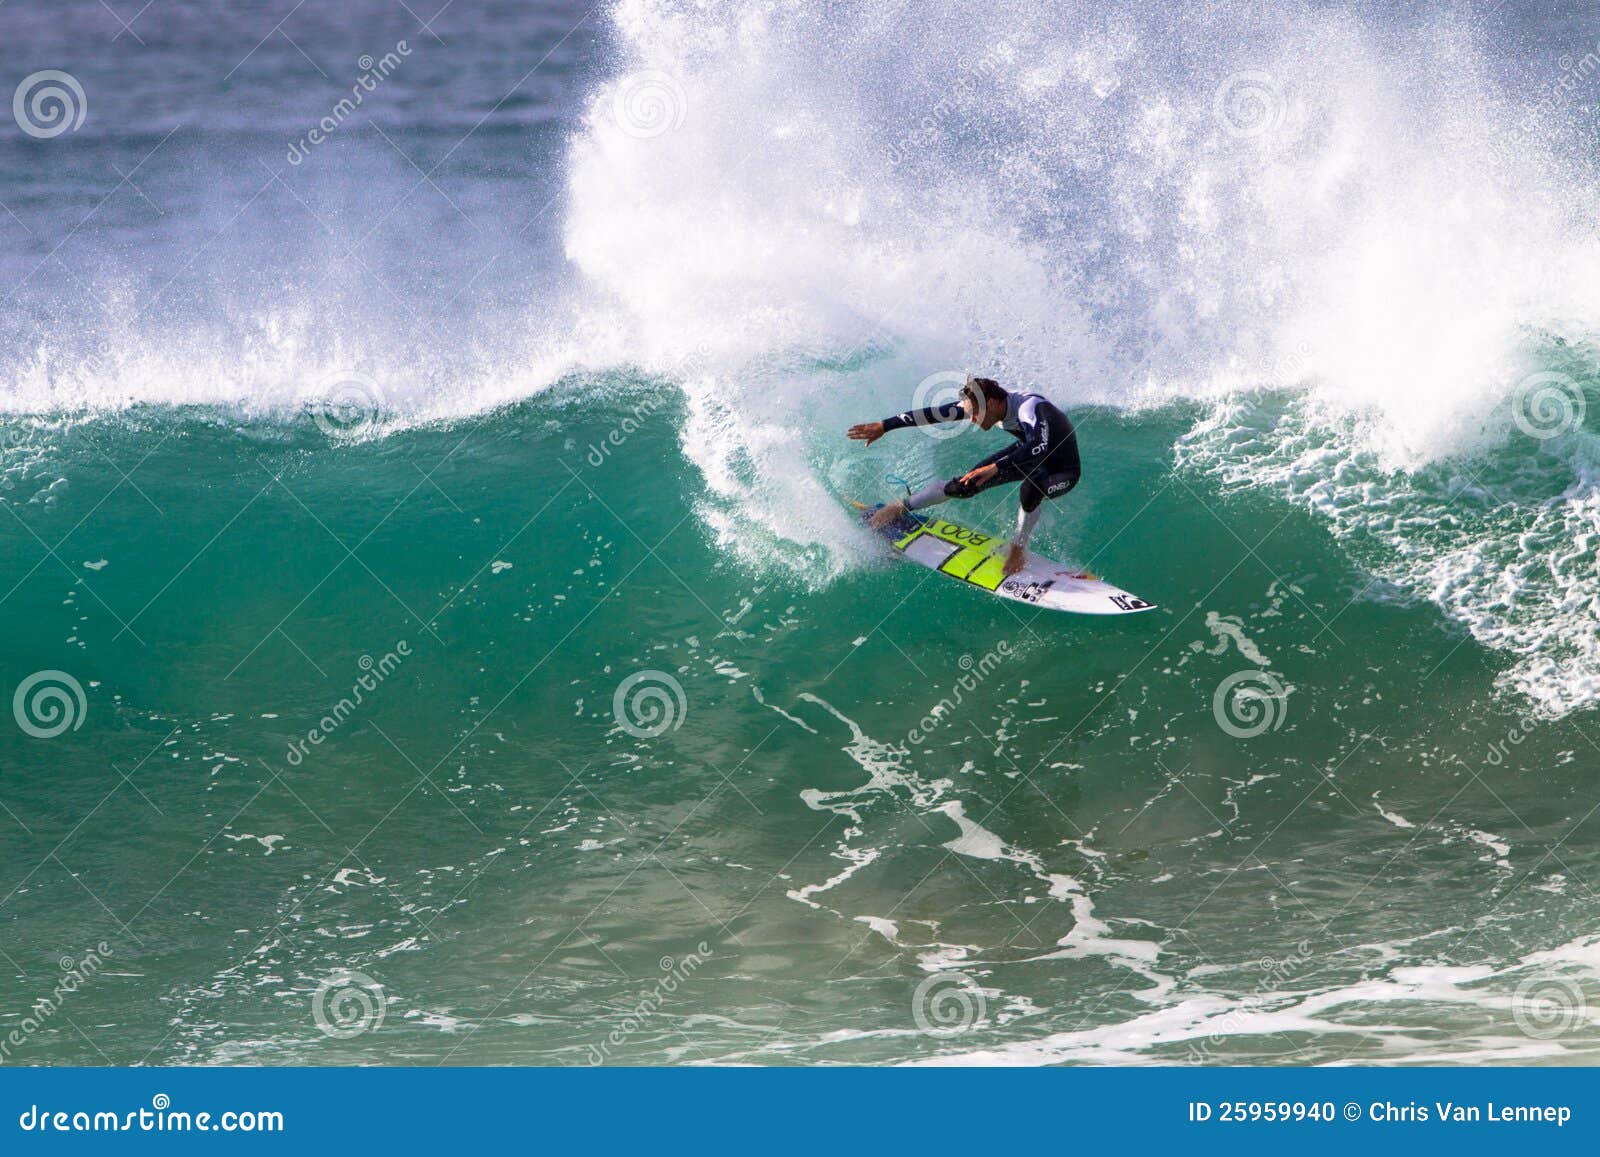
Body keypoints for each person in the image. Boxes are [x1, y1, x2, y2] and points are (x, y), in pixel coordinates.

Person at [847, 375, 1080, 577]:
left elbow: (1041, 445)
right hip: (1025, 453)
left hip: (1061, 468)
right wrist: (885, 426)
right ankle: (900, 507)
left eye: (975, 414)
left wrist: (996, 467)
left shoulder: (1030, 408)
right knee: (964, 485)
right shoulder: (983, 403)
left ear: (991, 403)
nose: (971, 420)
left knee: (1031, 489)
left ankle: (1018, 549)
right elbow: (935, 414)